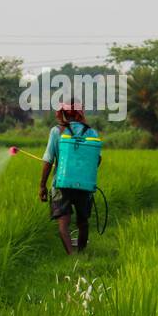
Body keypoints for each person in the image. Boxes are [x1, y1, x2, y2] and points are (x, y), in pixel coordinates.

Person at [40, 102, 99, 254]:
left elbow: (48, 160)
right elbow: (97, 160)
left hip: (61, 184)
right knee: (83, 222)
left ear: (63, 113)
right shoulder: (91, 132)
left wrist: (42, 186)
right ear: (80, 113)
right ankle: (81, 252)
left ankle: (72, 257)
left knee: (63, 223)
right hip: (84, 185)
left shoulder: (57, 131)